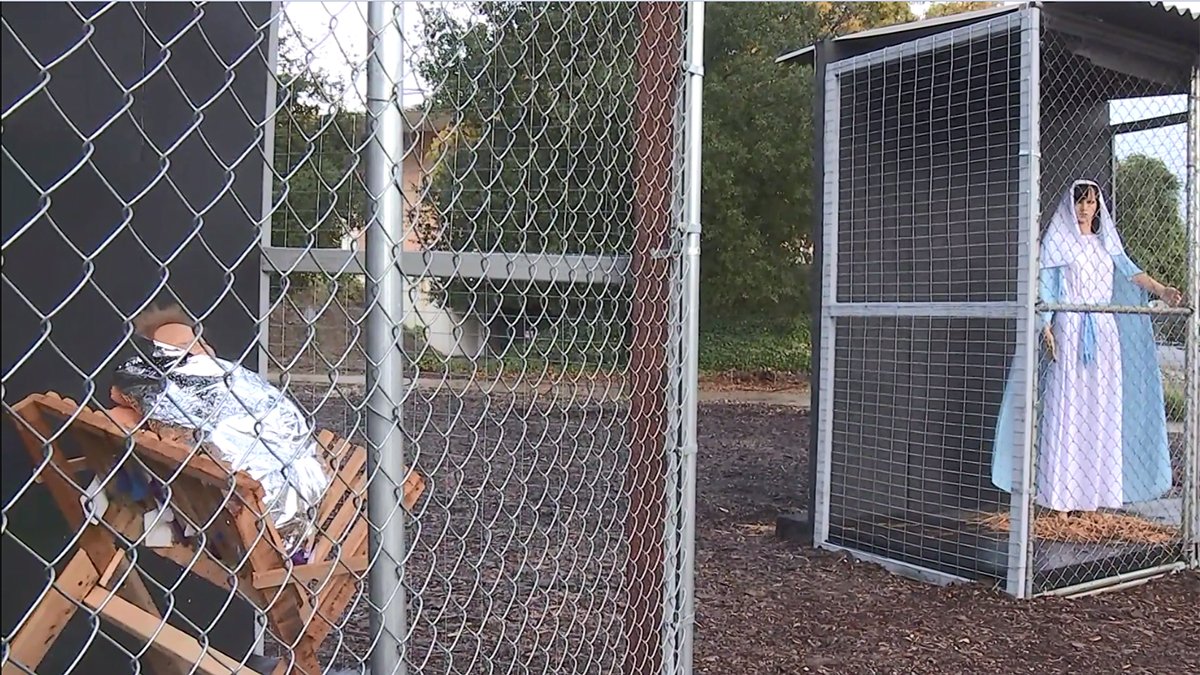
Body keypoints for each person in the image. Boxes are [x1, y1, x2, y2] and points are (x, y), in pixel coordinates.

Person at [991, 179, 1181, 514]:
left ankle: (1095, 493)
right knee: (1068, 405)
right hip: (1071, 325)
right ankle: (1061, 495)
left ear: (1098, 207)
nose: (1084, 208)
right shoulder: (1059, 243)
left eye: (1090, 202)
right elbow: (1048, 285)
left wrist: (1162, 290)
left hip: (1104, 330)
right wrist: (1047, 323)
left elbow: (1131, 273)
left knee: (1102, 405)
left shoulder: (1106, 244)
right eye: (1079, 201)